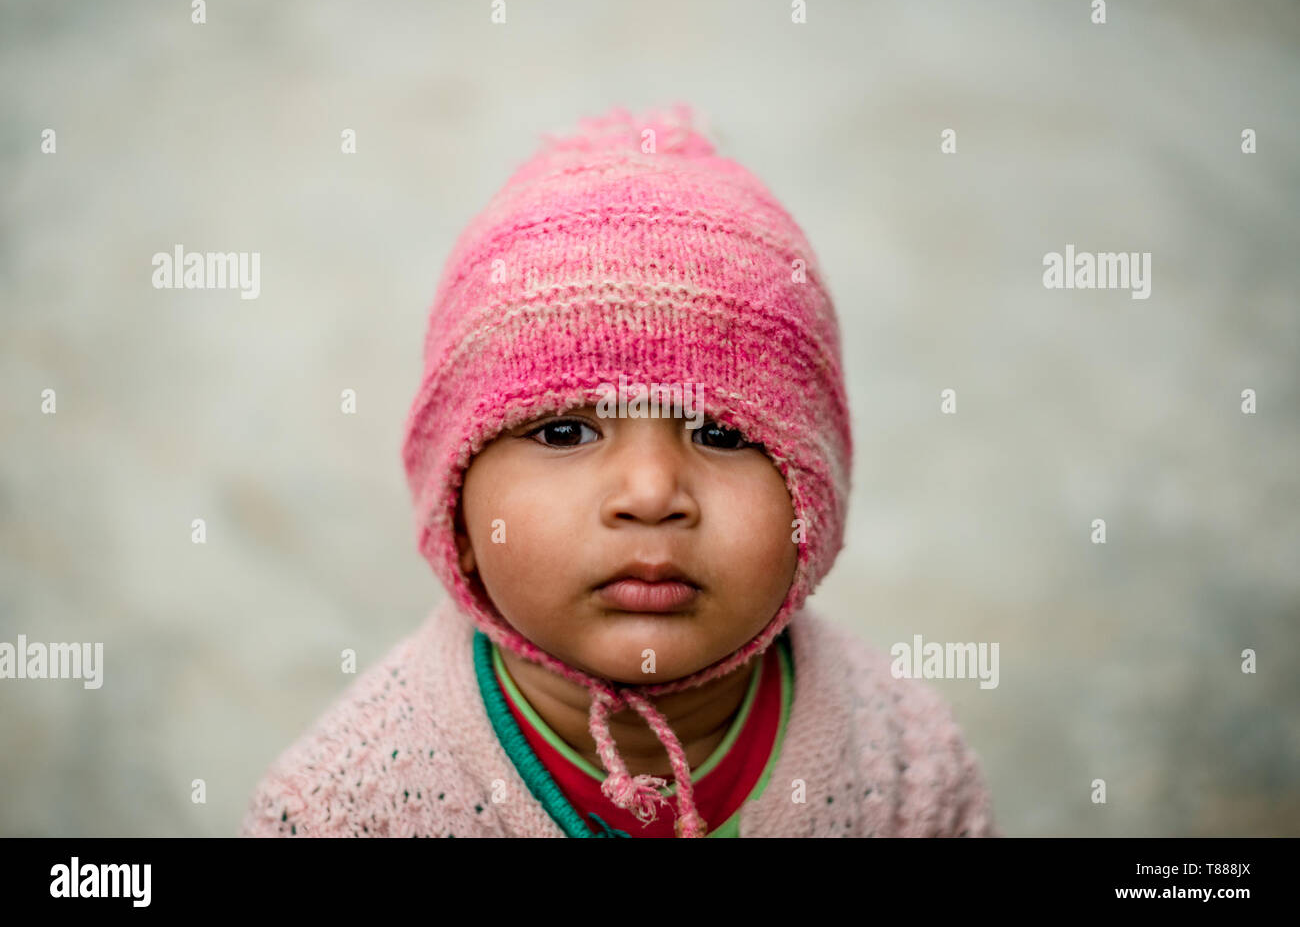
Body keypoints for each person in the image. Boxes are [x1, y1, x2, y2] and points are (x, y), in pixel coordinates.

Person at [239, 102, 998, 837]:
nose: (650, 493)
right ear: (457, 513)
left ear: (817, 505)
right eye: (566, 430)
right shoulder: (349, 805)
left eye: (722, 432)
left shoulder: (904, 768)